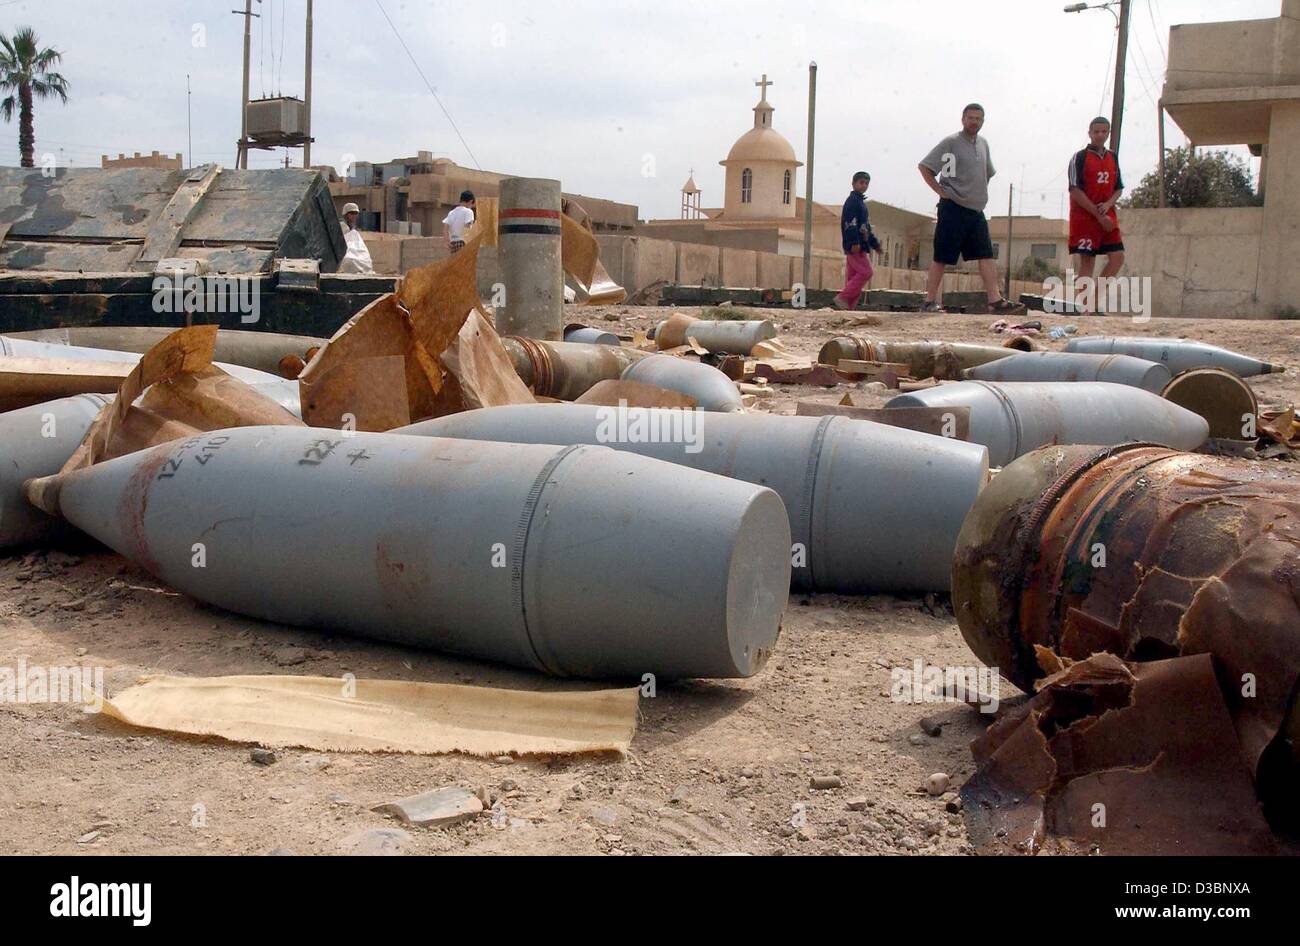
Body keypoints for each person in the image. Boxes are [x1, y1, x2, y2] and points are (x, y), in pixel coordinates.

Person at [917, 104, 1020, 313]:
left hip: (976, 210)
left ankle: (995, 300)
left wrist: (977, 192)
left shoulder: (983, 144)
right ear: (963, 119)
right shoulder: (951, 143)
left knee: (986, 254)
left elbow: (988, 172)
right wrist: (941, 191)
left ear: (983, 121)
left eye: (979, 119)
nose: (974, 122)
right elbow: (926, 167)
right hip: (953, 207)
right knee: (942, 256)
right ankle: (929, 301)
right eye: (971, 118)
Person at [1068, 116, 1125, 311]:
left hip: (1108, 215)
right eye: (1096, 131)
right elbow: (1074, 190)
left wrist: (1108, 204)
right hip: (1085, 216)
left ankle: (1092, 302)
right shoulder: (1080, 157)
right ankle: (1083, 307)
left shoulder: (1112, 157)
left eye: (1104, 131)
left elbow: (1118, 188)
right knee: (1087, 261)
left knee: (1117, 257)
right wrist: (1097, 214)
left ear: (1108, 133)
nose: (1100, 135)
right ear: (1090, 133)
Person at [833, 171, 882, 311]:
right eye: (861, 182)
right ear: (853, 183)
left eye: (866, 183)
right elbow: (850, 223)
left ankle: (848, 308)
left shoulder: (861, 203)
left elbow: (865, 227)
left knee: (853, 279)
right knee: (866, 272)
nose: (864, 186)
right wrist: (854, 242)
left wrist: (875, 244)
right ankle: (843, 297)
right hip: (856, 247)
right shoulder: (853, 202)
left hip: (861, 245)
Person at [337, 201, 374, 274]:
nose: (354, 216)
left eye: (356, 213)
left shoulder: (352, 228)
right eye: (352, 213)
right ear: (346, 215)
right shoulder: (343, 226)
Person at [443, 190, 476, 254]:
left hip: (453, 244)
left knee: (457, 263)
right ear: (470, 201)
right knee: (466, 263)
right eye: (472, 205)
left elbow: (445, 228)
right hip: (463, 243)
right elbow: (467, 227)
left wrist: (446, 241)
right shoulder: (468, 211)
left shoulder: (451, 212)